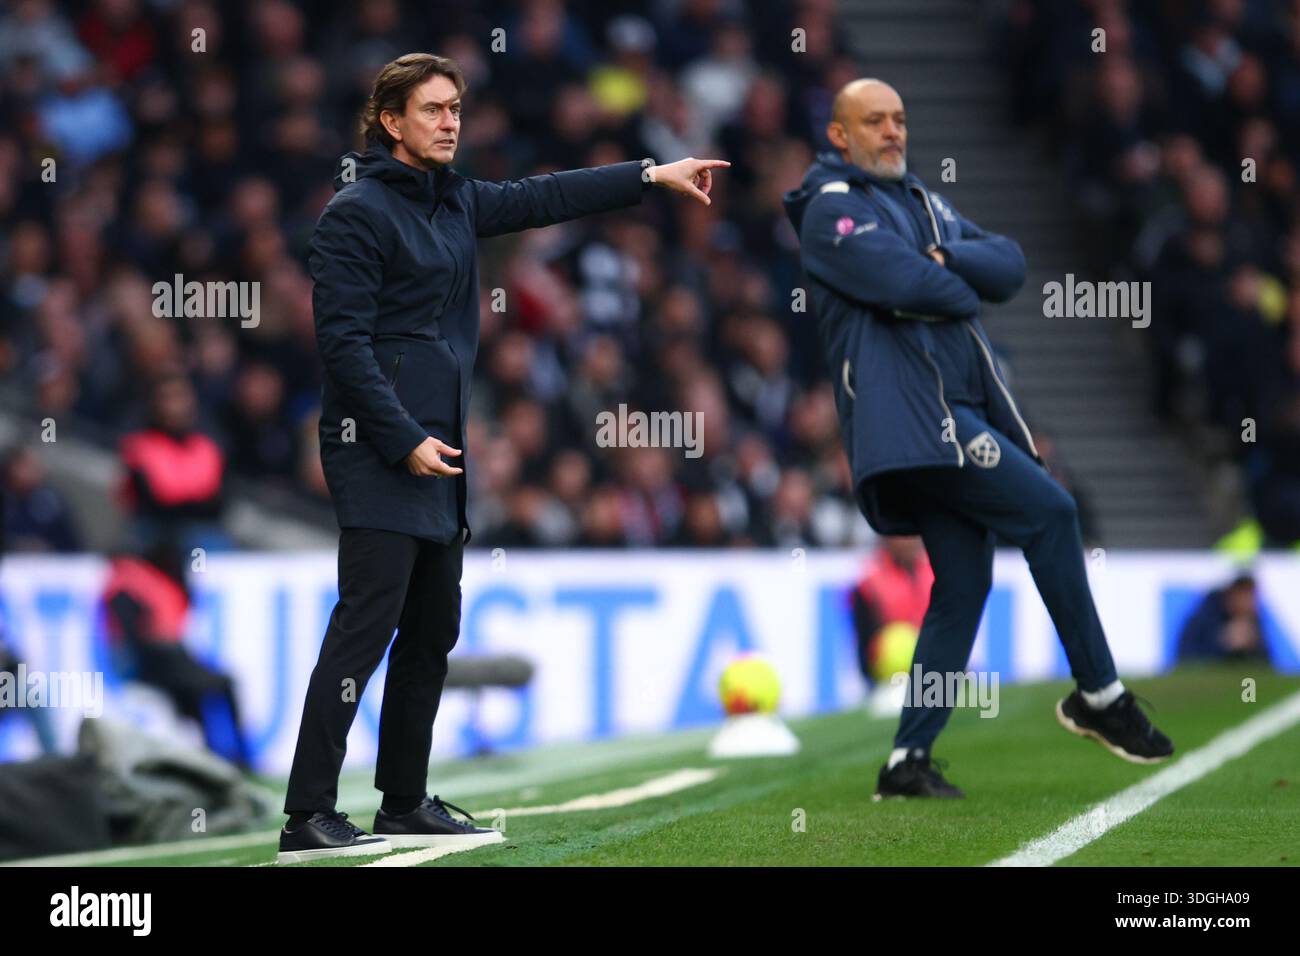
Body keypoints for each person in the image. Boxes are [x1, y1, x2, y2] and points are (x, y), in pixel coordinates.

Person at [280, 52, 728, 863]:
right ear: (391, 122)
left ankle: (403, 801)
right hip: (383, 450)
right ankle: (306, 814)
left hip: (439, 449)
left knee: (431, 632)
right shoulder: (356, 212)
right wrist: (401, 439)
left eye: (456, 108)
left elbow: (544, 196)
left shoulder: (455, 202)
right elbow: (340, 347)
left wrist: (652, 174)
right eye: (432, 110)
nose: (451, 121)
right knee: (363, 630)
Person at [783, 78, 1174, 800]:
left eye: (900, 119)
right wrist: (946, 271)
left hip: (950, 414)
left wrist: (944, 264)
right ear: (839, 136)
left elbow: (1010, 265)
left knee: (962, 583)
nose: (893, 132)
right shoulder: (829, 209)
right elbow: (927, 286)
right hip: (914, 419)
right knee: (1051, 513)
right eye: (874, 122)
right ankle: (1099, 695)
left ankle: (906, 762)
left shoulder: (925, 202)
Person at [1176, 572, 1272, 665]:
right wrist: (1224, 644)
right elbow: (1186, 657)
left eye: (1250, 598)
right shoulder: (1205, 616)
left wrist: (1252, 647)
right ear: (1231, 596)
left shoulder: (1252, 620)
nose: (1247, 603)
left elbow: (1265, 662)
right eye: (1243, 597)